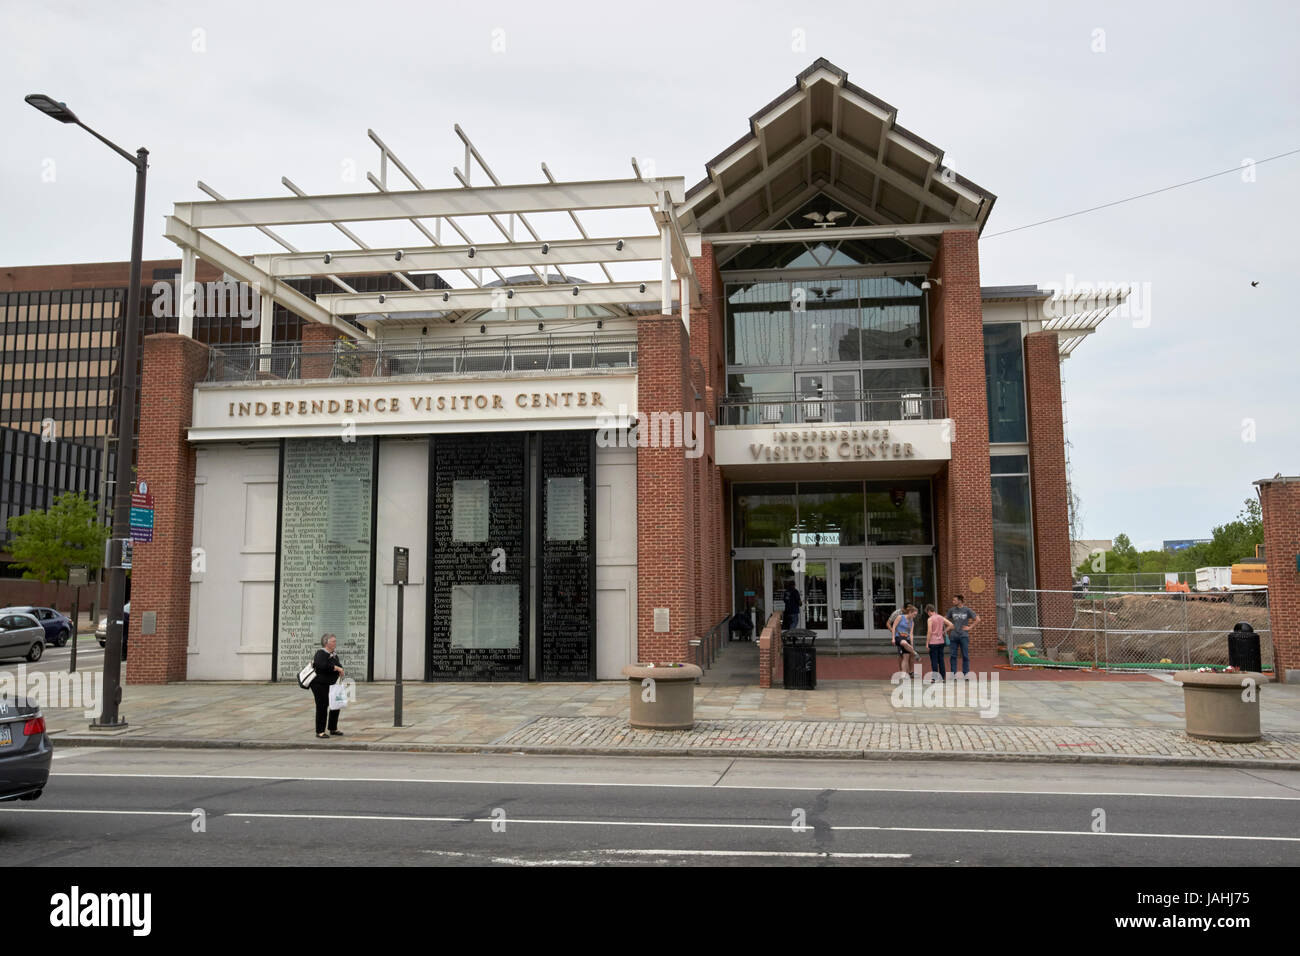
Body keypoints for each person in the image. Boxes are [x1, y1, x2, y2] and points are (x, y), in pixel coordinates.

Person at [311, 633, 345, 739]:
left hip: (332, 685)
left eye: (335, 641)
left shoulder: (333, 654)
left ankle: (333, 728)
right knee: (322, 706)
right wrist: (336, 668)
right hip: (320, 685)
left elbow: (338, 665)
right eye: (333, 641)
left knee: (336, 705)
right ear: (327, 643)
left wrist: (340, 669)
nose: (335, 643)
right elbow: (322, 665)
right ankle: (320, 731)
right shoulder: (321, 653)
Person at [946, 595, 979, 677]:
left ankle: (966, 674)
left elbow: (978, 619)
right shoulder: (952, 610)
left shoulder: (967, 610)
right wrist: (950, 625)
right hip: (953, 636)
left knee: (965, 655)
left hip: (964, 636)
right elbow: (944, 619)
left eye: (954, 600)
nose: (953, 602)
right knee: (953, 656)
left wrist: (970, 627)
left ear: (960, 601)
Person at [924, 603, 952, 682]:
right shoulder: (941, 617)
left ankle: (934, 678)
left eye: (927, 613)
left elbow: (929, 631)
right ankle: (943, 678)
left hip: (933, 642)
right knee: (941, 660)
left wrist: (927, 643)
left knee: (934, 661)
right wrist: (944, 631)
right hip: (941, 642)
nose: (928, 614)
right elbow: (951, 625)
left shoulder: (930, 619)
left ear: (929, 611)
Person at [891, 604, 918, 673]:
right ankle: (914, 653)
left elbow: (911, 634)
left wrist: (911, 644)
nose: (914, 616)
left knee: (906, 658)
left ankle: (904, 673)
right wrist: (893, 638)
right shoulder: (900, 617)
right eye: (914, 614)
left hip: (907, 638)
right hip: (899, 637)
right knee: (903, 643)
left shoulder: (912, 622)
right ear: (910, 612)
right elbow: (894, 627)